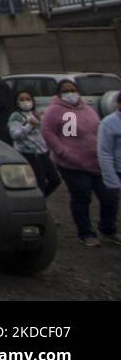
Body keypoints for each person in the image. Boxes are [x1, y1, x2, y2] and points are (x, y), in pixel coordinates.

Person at [41, 79, 117, 246]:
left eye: (73, 89)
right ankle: (85, 233)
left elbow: (97, 129)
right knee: (82, 196)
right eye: (66, 90)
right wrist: (62, 151)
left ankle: (108, 229)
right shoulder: (55, 111)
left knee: (109, 196)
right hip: (72, 164)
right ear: (60, 93)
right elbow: (47, 131)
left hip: (95, 161)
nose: (70, 93)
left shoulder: (87, 109)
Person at [8, 89, 60, 197]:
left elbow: (44, 133)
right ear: (17, 102)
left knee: (55, 180)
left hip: (43, 153)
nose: (25, 101)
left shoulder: (36, 114)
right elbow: (15, 136)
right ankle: (38, 206)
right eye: (21, 99)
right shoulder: (15, 116)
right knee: (39, 183)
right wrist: (30, 124)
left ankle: (39, 200)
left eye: (28, 99)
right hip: (29, 154)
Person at [98, 98, 121, 243]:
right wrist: (110, 177)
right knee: (111, 200)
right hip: (116, 169)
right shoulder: (109, 123)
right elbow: (104, 151)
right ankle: (107, 229)